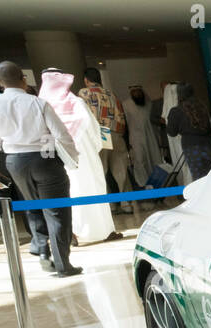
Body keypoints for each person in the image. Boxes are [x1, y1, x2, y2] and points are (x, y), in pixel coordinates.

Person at [0, 61, 81, 276]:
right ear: (23, 79)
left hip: (14, 162)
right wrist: (72, 159)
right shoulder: (37, 103)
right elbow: (61, 134)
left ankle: (42, 250)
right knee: (57, 211)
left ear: (0, 83)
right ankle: (63, 264)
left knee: (32, 206)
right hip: (44, 159)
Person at [40, 68, 119, 245]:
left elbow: (43, 135)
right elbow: (93, 131)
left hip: (60, 157)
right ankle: (104, 230)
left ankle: (74, 233)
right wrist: (93, 149)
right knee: (94, 188)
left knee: (69, 192)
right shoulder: (76, 103)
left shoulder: (42, 105)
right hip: (86, 156)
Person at [79, 67, 132, 214]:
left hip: (98, 134)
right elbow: (120, 115)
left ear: (86, 80)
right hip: (115, 133)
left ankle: (109, 206)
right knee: (121, 170)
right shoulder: (111, 94)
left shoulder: (84, 93)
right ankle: (126, 203)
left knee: (100, 170)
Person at [166, 82, 211, 180]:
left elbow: (171, 132)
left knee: (199, 179)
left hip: (191, 148)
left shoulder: (176, 111)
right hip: (208, 145)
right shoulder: (203, 107)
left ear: (179, 94)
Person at [123, 83, 163, 200]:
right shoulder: (126, 105)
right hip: (136, 138)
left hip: (151, 137)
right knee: (140, 161)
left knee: (154, 159)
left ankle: (156, 185)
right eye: (134, 92)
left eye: (138, 91)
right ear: (131, 93)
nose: (137, 93)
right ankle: (144, 186)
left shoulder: (149, 104)